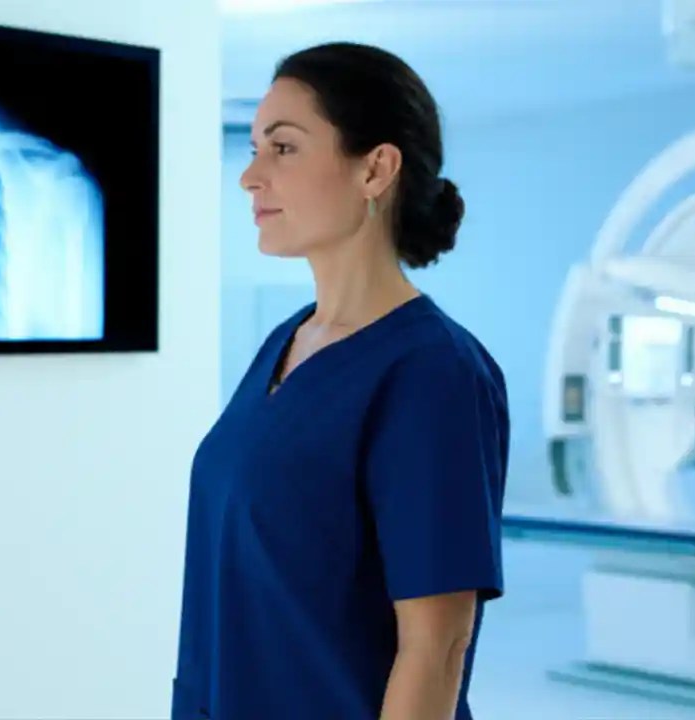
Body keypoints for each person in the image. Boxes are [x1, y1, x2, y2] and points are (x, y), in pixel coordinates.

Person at [170, 42, 510, 720]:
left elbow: (437, 647)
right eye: (253, 147)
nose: (251, 176)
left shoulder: (431, 372)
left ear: (375, 169)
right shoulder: (287, 342)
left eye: (284, 148)